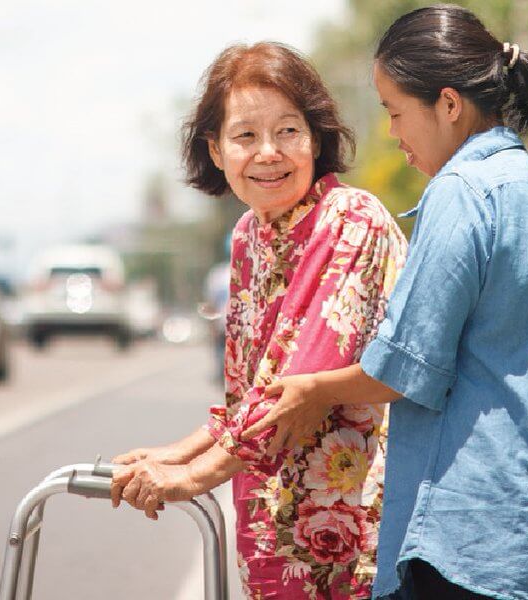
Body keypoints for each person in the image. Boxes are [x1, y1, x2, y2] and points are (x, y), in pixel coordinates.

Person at [244, 7, 528, 600]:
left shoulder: (461, 192)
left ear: (449, 105)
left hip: (469, 535)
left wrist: (313, 388)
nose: (392, 133)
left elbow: (405, 368)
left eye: (395, 111)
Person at [109, 42, 408, 598]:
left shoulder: (351, 220)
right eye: (245, 136)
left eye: (288, 132)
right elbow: (253, 390)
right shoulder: (249, 234)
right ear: (216, 151)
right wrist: (179, 451)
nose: (268, 153)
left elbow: (294, 393)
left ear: (315, 139)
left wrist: (189, 479)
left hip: (354, 532)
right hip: (272, 523)